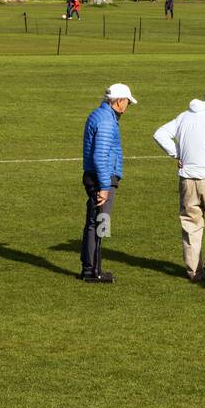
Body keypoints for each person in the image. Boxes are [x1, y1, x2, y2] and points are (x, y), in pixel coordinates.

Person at [153, 83, 205, 282]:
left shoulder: (184, 116)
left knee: (191, 223)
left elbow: (160, 134)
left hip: (187, 179)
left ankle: (194, 272)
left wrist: (177, 153)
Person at [79, 82, 137, 283]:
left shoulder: (99, 115)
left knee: (96, 221)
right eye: (127, 102)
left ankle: (92, 266)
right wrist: (104, 187)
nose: (128, 106)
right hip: (102, 178)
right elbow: (100, 156)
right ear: (119, 101)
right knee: (100, 222)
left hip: (97, 176)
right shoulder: (106, 121)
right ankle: (93, 270)